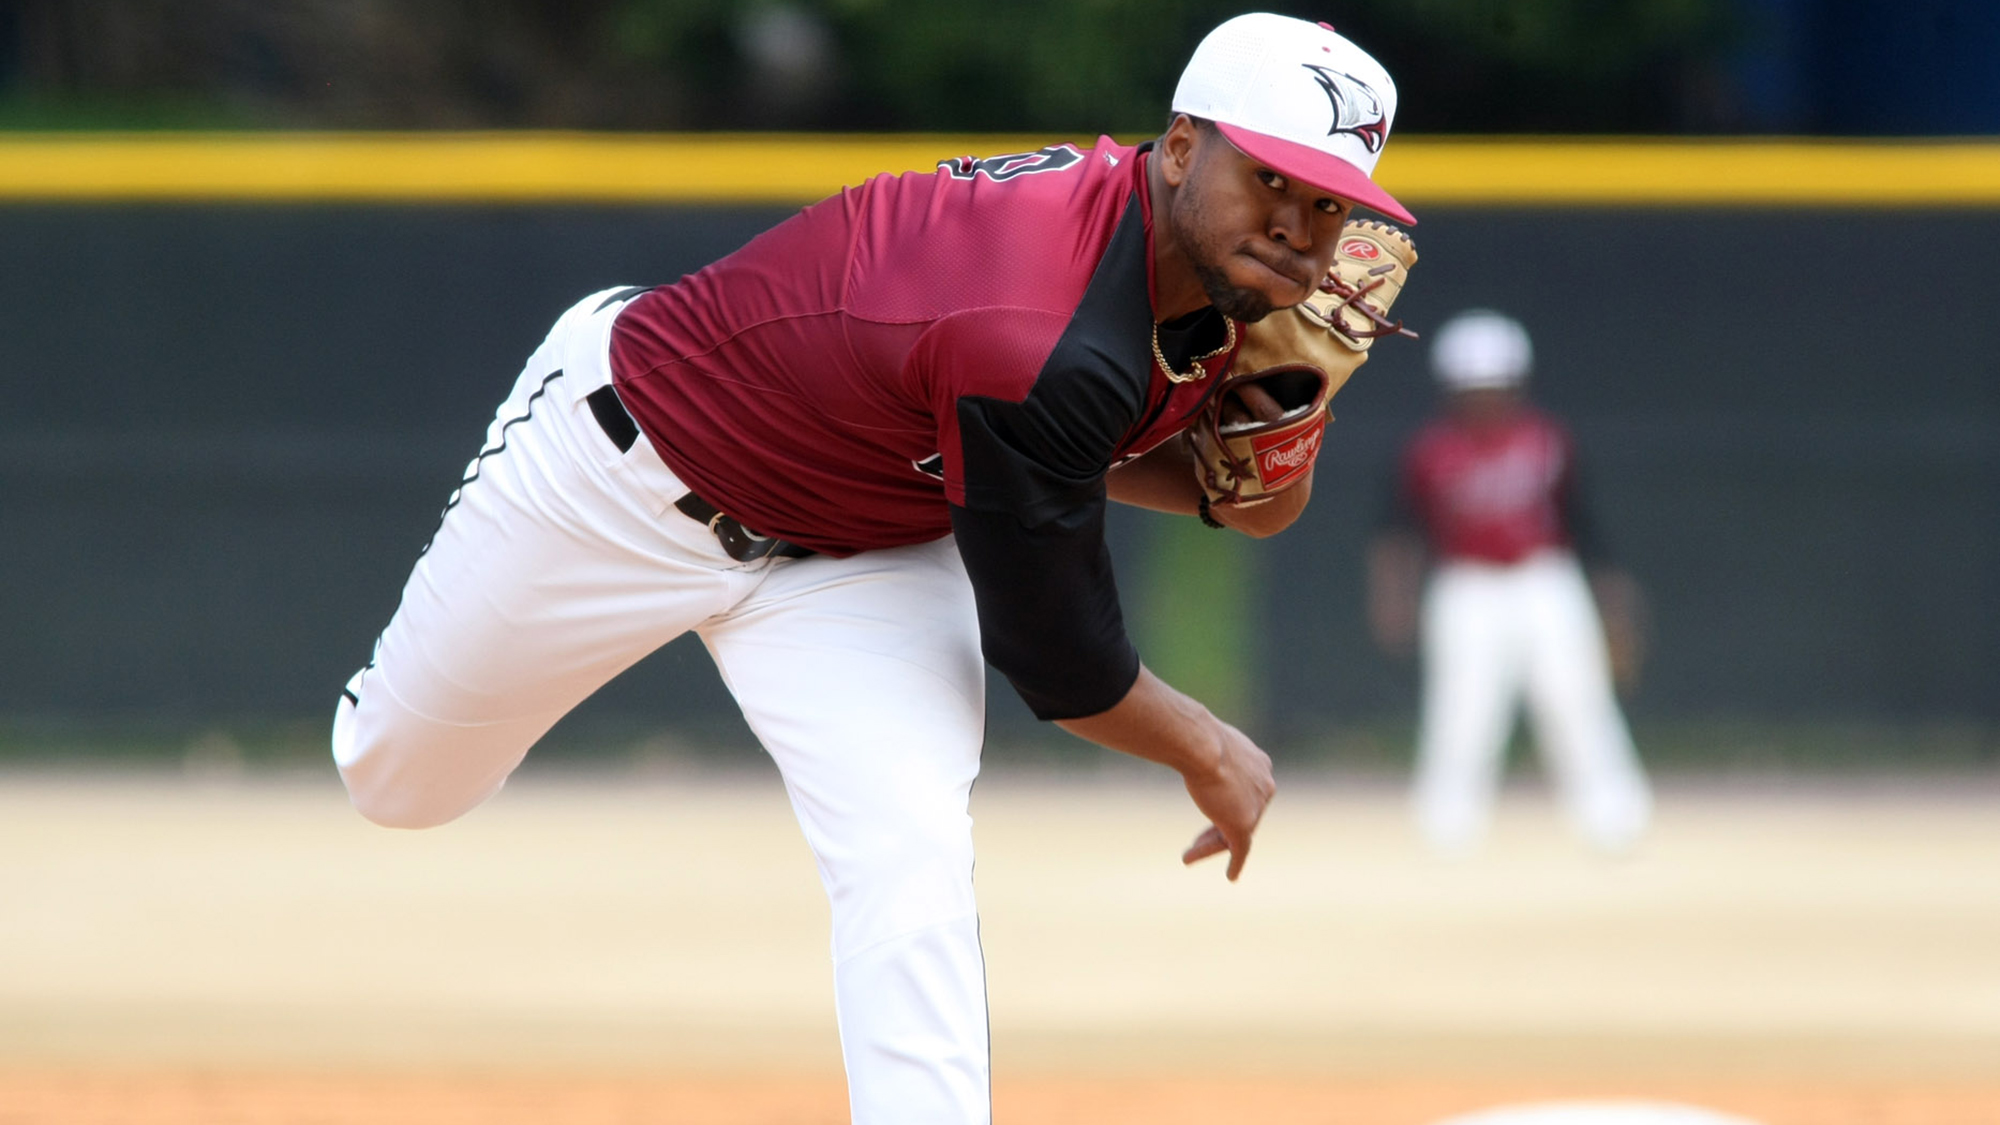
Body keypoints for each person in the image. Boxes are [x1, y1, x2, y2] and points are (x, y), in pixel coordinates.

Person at [332, 13, 1414, 1124]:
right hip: (623, 474)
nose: (1297, 225)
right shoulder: (1036, 319)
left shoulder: (1191, 282)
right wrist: (1212, 750)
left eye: (1329, 203)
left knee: (910, 863)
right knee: (397, 784)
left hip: (860, 553)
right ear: (1181, 147)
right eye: (1270, 177)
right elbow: (1061, 661)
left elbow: (1229, 503)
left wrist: (1288, 420)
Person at [1367, 310, 1652, 856]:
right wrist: (1393, 597)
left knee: (1576, 701)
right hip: (1465, 586)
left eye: (1495, 386)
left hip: (1545, 582)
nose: (1485, 398)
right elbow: (1397, 531)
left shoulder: (1548, 441)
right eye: (1474, 387)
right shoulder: (1429, 452)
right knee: (1462, 710)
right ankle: (1447, 826)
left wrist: (1614, 605)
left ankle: (1613, 817)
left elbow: (1586, 528)